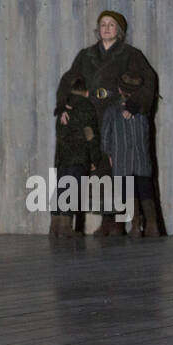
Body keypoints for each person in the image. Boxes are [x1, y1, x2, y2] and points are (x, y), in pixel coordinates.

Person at [55, 10, 159, 235]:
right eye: (103, 24)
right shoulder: (86, 55)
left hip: (116, 118)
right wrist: (63, 104)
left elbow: (148, 81)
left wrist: (135, 104)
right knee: (97, 170)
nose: (107, 28)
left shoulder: (131, 54)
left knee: (117, 169)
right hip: (90, 116)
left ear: (119, 31)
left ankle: (117, 221)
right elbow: (69, 78)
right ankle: (105, 219)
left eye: (112, 24)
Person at [98, 72, 156, 236]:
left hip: (121, 158)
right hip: (141, 157)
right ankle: (153, 226)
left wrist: (109, 153)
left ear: (119, 89)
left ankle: (136, 226)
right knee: (146, 190)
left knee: (128, 192)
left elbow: (105, 137)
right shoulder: (143, 110)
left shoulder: (112, 110)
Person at [50, 76, 102, 238]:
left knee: (61, 188)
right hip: (78, 156)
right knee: (72, 189)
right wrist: (95, 158)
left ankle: (55, 226)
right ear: (86, 92)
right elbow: (89, 134)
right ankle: (66, 227)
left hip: (61, 156)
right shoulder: (85, 106)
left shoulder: (62, 108)